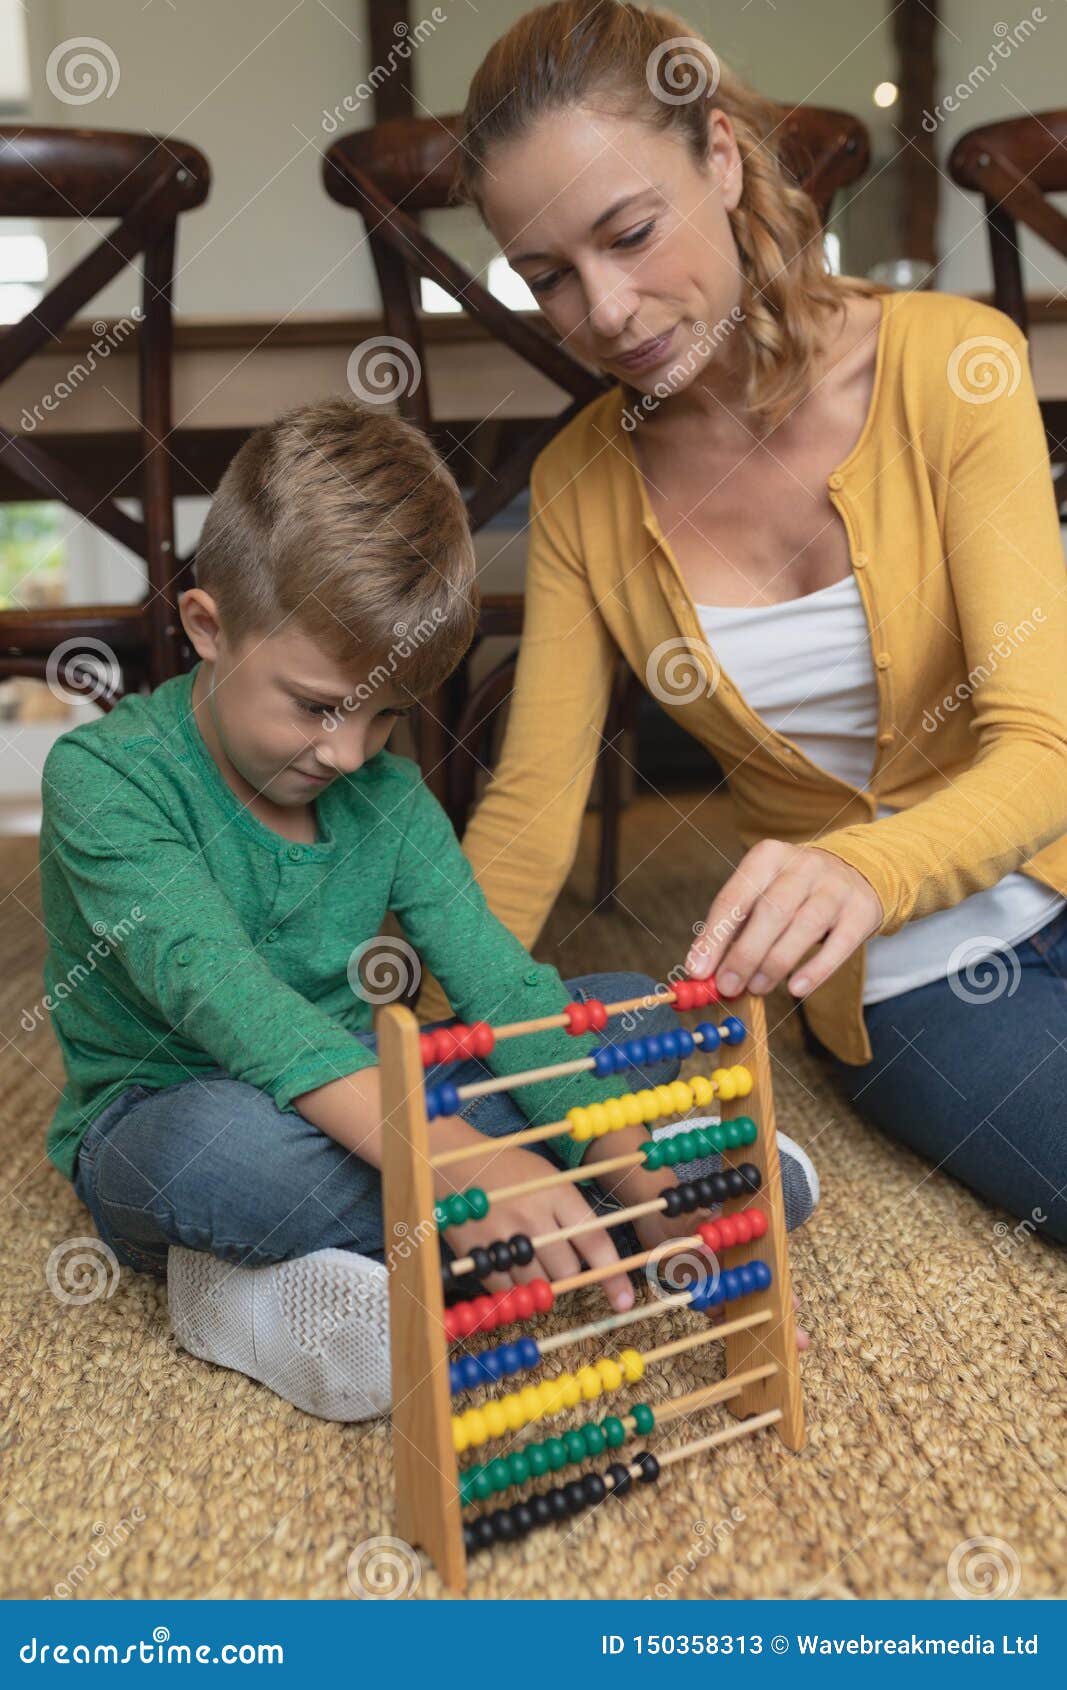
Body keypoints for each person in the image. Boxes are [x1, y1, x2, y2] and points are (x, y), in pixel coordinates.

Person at [417, 0, 1067, 1243]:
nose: (602, 310)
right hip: (910, 978)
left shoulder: (952, 365)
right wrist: (391, 1029)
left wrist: (856, 868)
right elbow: (526, 816)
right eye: (547, 275)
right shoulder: (579, 490)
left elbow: (1041, 745)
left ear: (718, 156)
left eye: (629, 233)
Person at [40, 397, 816, 1423]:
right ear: (206, 627)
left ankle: (396, 1255)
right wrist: (457, 1158)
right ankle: (455, 1229)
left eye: (386, 715)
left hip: (372, 1090)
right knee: (211, 1154)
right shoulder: (104, 776)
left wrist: (625, 1163)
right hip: (179, 1111)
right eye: (317, 705)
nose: (349, 753)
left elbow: (501, 986)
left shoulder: (388, 799)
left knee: (624, 1011)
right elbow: (222, 995)